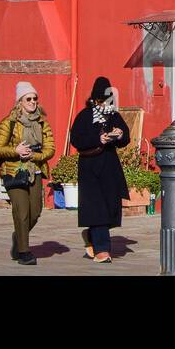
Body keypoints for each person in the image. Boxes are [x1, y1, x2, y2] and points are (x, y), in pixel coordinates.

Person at [0, 82, 55, 266]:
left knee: (35, 212)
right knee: (22, 212)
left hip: (35, 170)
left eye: (35, 98)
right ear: (20, 101)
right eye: (28, 99)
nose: (33, 102)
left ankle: (19, 237)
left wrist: (35, 155)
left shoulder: (42, 122)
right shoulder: (9, 122)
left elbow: (50, 148)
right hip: (15, 171)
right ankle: (24, 252)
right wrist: (16, 150)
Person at [70, 76, 130, 263]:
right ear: (94, 100)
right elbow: (76, 140)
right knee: (97, 209)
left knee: (111, 208)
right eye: (101, 101)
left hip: (110, 166)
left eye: (106, 100)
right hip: (90, 167)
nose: (104, 104)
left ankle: (91, 235)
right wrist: (99, 139)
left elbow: (126, 137)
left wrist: (119, 135)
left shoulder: (114, 115)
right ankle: (102, 250)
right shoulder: (85, 116)